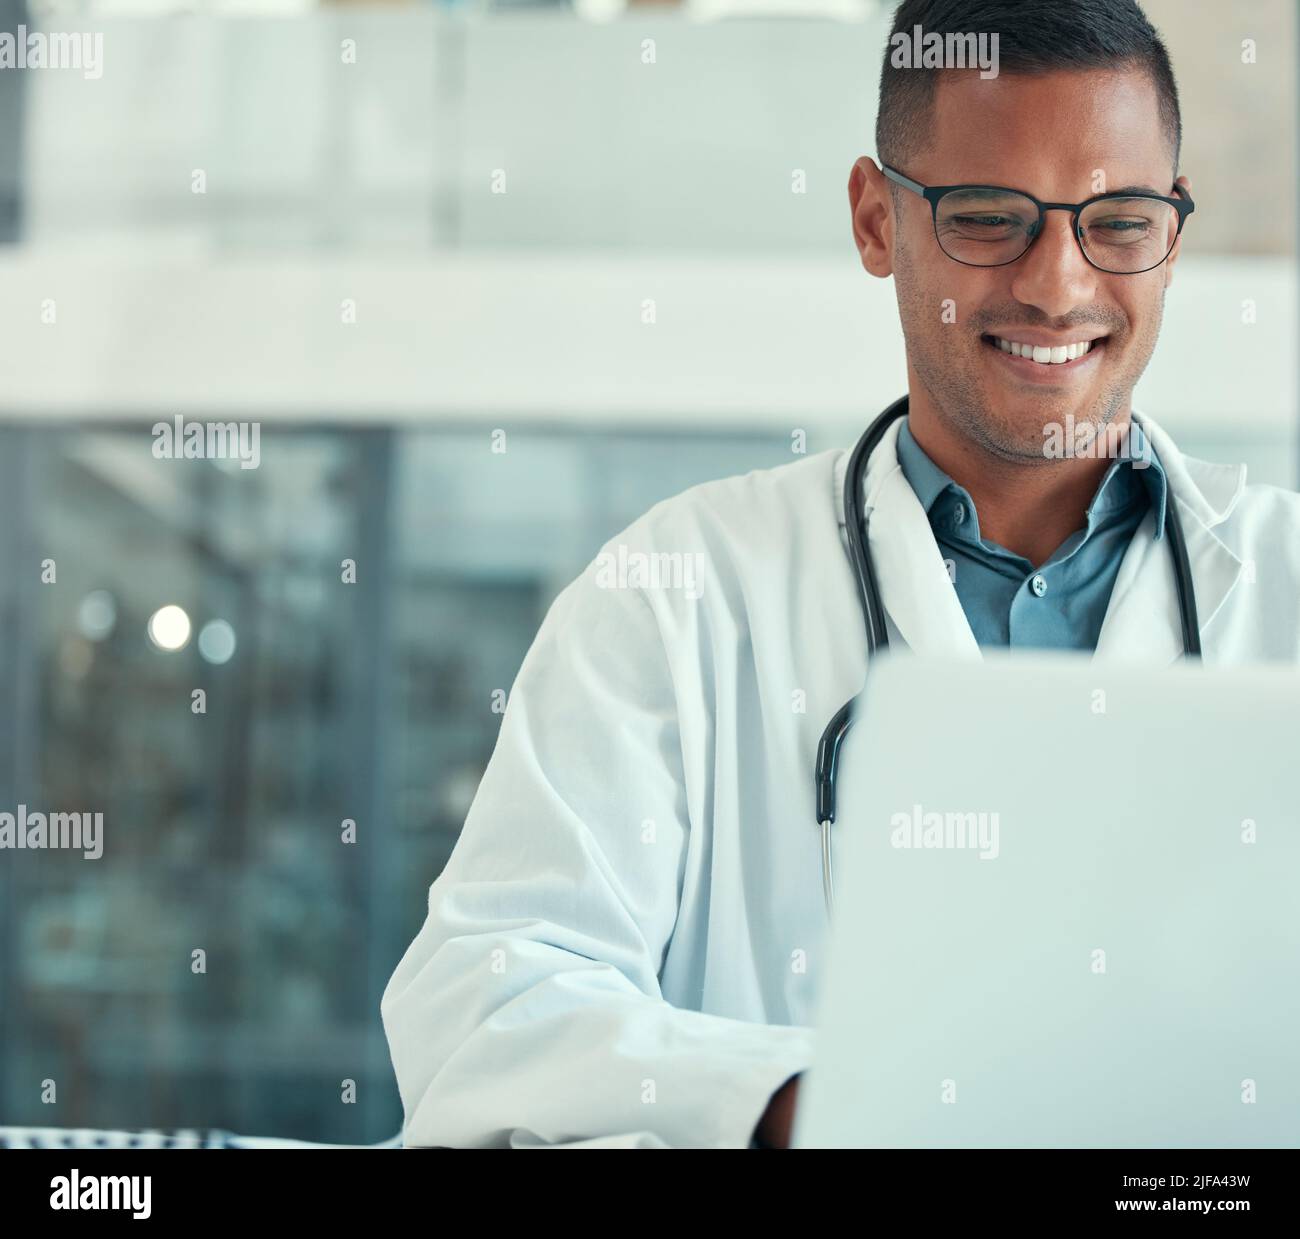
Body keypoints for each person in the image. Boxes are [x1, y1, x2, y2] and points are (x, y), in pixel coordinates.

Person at [381, 0, 1300, 1148]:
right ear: (876, 219)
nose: (1057, 285)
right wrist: (810, 1104)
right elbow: (485, 1006)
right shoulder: (675, 596)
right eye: (986, 219)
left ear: (1172, 230)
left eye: (1117, 223)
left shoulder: (1282, 578)